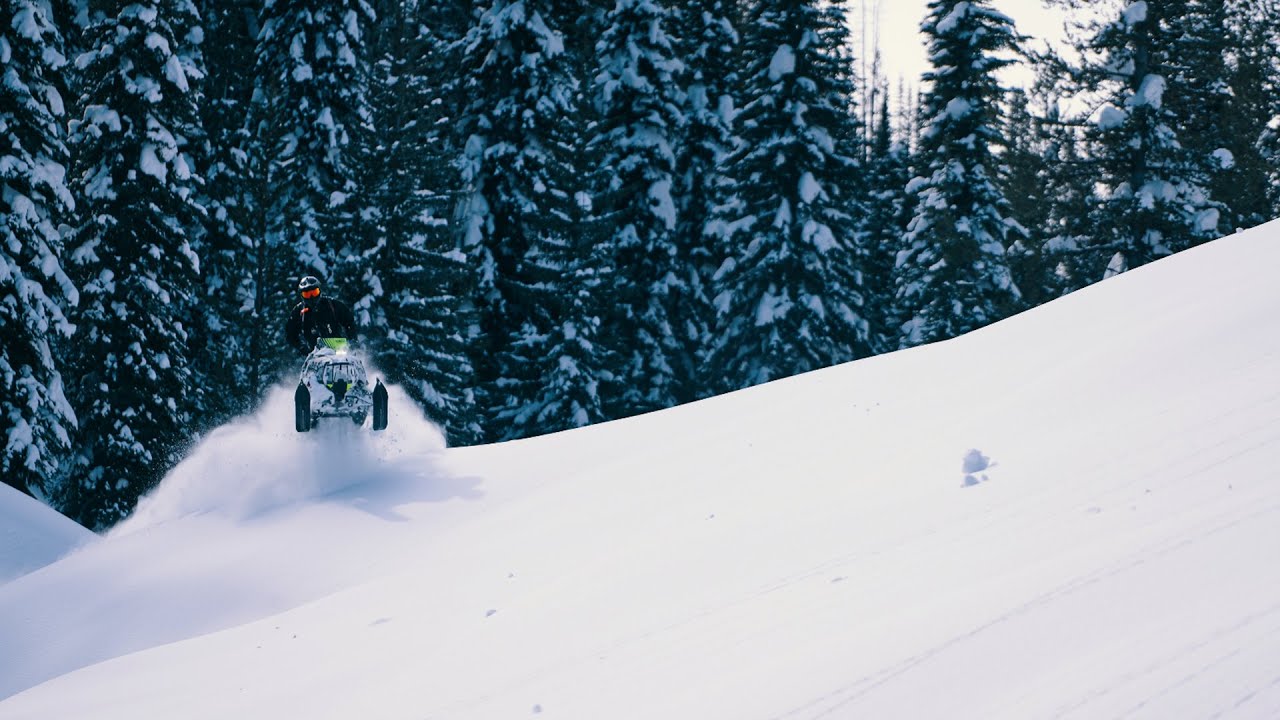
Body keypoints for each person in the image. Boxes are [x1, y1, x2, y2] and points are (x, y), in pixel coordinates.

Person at [285, 275, 357, 355]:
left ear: (320, 290)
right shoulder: (299, 311)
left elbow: (349, 321)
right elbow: (290, 334)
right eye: (307, 294)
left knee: (347, 360)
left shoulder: (332, 304)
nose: (311, 297)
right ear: (302, 295)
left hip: (338, 349)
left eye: (314, 292)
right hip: (314, 353)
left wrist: (352, 341)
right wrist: (302, 348)